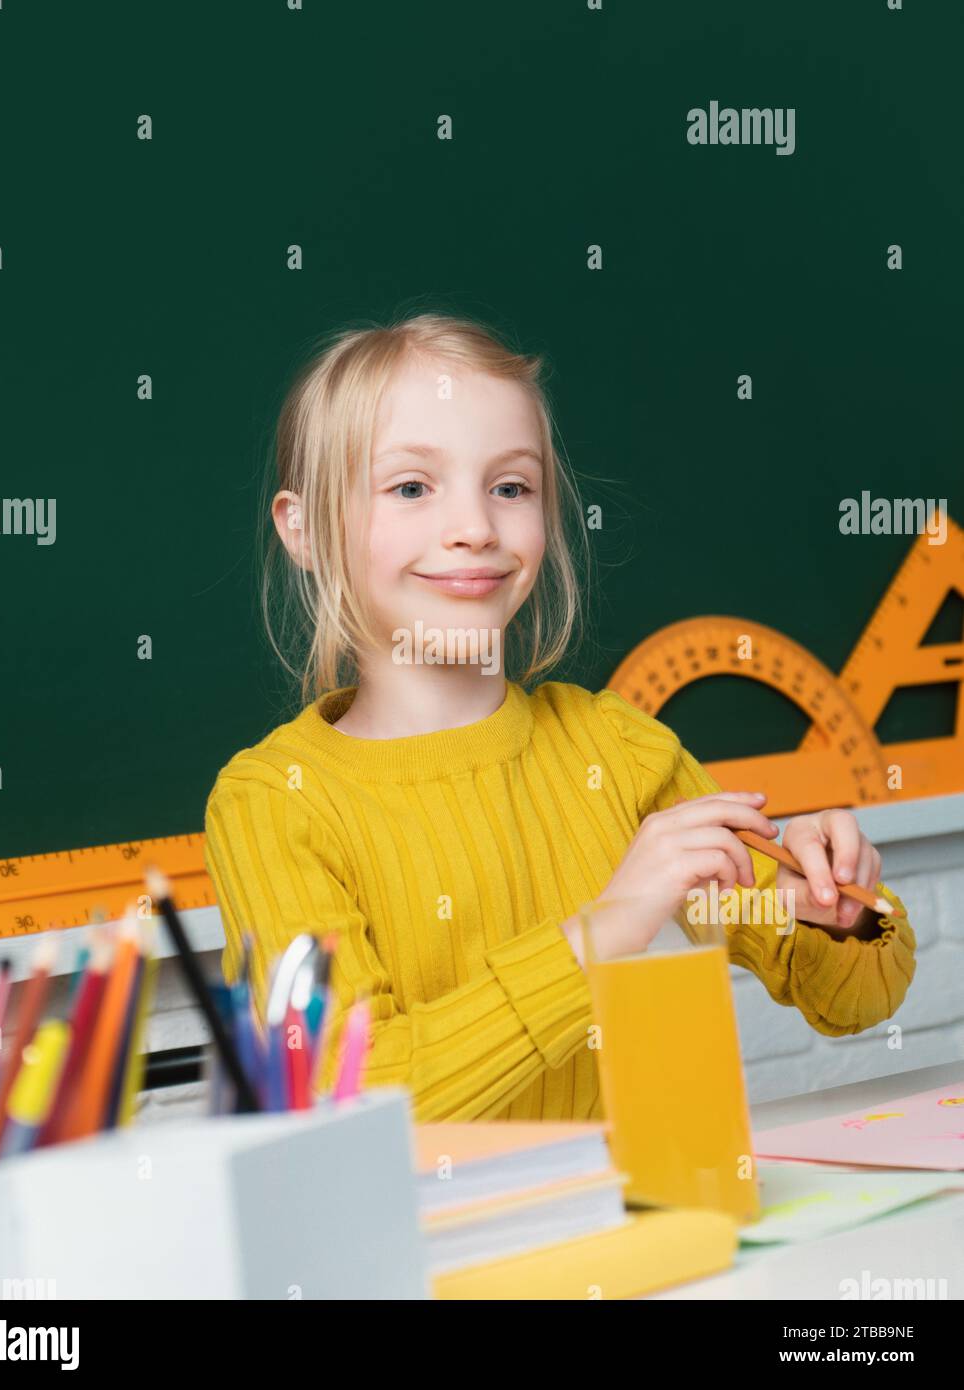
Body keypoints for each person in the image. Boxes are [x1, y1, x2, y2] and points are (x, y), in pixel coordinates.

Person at [203, 310, 916, 1122]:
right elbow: (347, 1102)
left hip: (638, 1236)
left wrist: (842, 914)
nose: (475, 528)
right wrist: (601, 932)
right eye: (410, 487)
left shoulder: (617, 750)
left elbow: (854, 1002)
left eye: (511, 487)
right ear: (303, 530)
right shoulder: (273, 803)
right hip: (430, 1249)